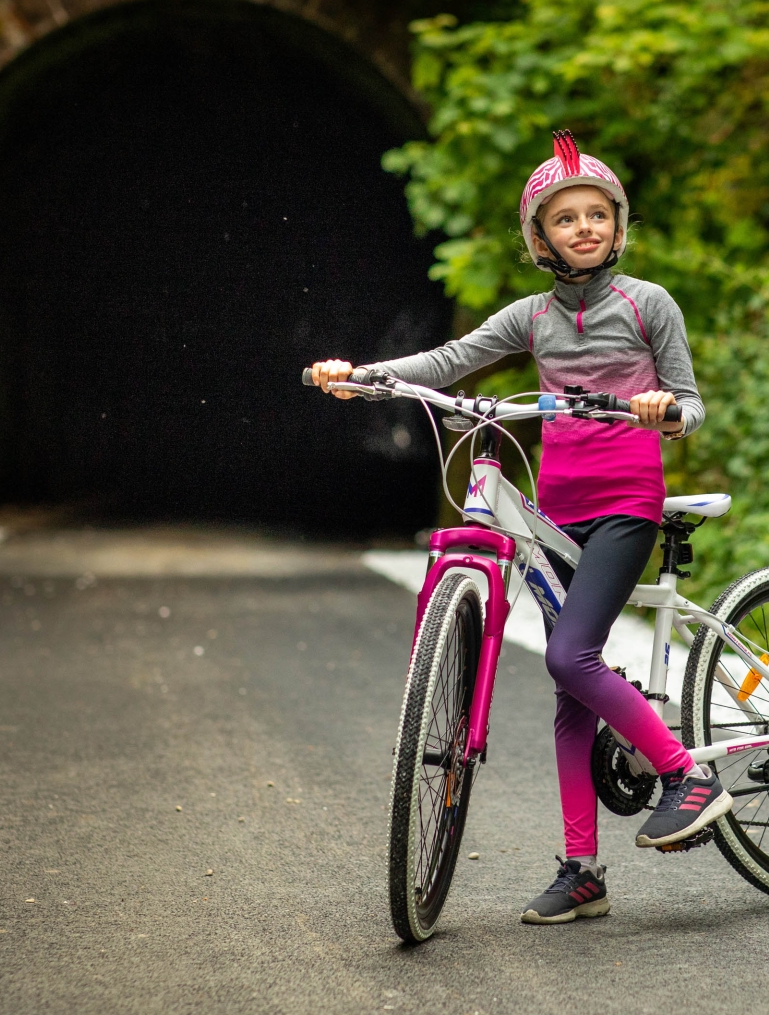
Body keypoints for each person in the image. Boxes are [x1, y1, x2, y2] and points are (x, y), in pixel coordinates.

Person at [307, 130, 733, 925]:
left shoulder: (648, 305)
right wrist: (364, 377)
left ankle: (686, 775)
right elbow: (447, 362)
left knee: (571, 656)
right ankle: (581, 870)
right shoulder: (533, 319)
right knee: (571, 686)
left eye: (597, 214)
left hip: (624, 504)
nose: (584, 228)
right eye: (565, 218)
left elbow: (693, 402)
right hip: (558, 508)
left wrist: (664, 411)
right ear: (541, 237)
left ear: (617, 224)